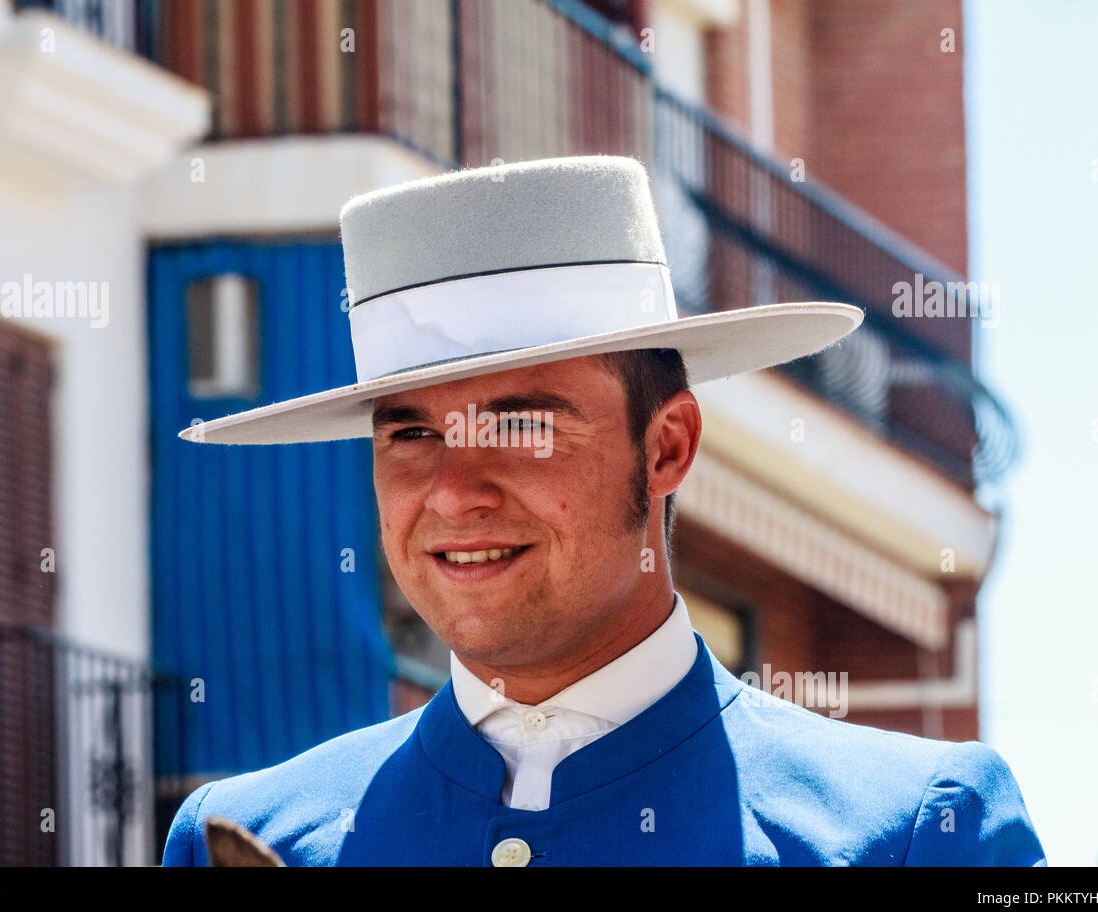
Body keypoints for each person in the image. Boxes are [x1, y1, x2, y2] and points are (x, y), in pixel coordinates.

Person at [161, 155, 1045, 866]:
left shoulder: (924, 834)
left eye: (521, 426)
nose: (453, 491)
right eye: (410, 435)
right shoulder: (244, 837)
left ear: (667, 448)